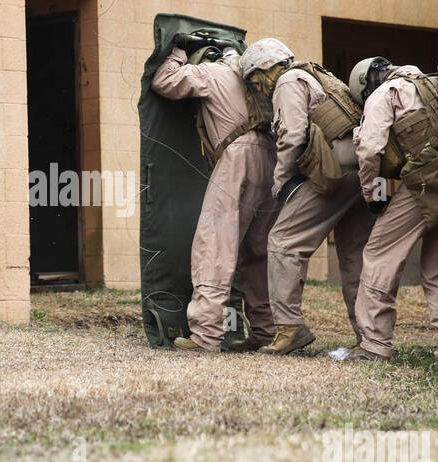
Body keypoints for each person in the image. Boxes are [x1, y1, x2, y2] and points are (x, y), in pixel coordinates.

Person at [151, 33, 279, 352]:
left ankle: (206, 335)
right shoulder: (252, 77)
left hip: (238, 155)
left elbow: (164, 82)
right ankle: (266, 331)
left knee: (214, 244)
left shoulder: (210, 72)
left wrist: (179, 51)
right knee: (257, 250)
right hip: (272, 157)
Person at [343, 57, 438, 363]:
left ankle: (374, 344)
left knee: (379, 257)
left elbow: (370, 147)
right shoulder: (436, 83)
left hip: (423, 183)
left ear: (365, 83)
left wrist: (370, 193)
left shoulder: (386, 92)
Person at [250, 40, 372, 354]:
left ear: (267, 68)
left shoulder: (288, 81)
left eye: (255, 80)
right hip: (361, 173)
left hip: (333, 173)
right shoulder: (321, 76)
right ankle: (371, 339)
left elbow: (292, 133)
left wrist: (279, 182)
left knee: (283, 241)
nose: (258, 88)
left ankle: (290, 328)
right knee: (354, 257)